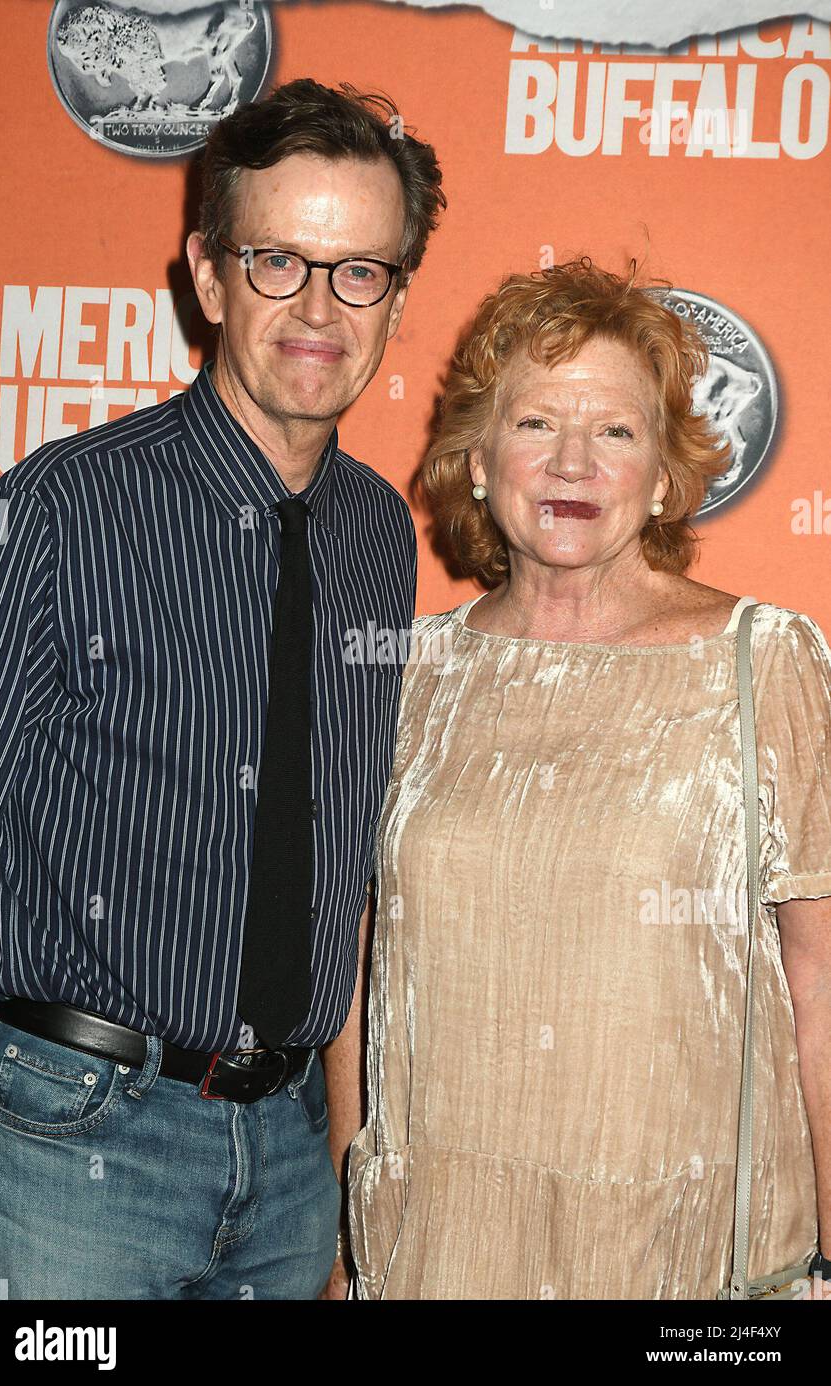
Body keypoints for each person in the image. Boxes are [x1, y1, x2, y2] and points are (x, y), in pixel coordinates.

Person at [0, 77, 445, 1300]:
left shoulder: (378, 537)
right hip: (69, 1138)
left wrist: (343, 1166)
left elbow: (339, 879)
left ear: (395, 297)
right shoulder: (61, 509)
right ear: (209, 271)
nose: (319, 307)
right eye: (278, 260)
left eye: (360, 271)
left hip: (287, 1160)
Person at [347, 258, 831, 1300]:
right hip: (441, 1244)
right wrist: (351, 1230)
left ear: (661, 476)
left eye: (613, 431)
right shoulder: (407, 670)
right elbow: (357, 967)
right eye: (533, 425)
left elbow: (820, 985)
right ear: (476, 459)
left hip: (679, 1257)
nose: (570, 461)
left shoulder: (761, 659)